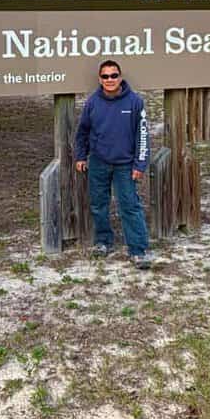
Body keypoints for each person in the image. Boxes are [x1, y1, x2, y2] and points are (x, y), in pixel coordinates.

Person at [74, 59, 154, 269]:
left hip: (125, 165)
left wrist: (140, 165)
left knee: (130, 206)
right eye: (105, 76)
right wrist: (81, 156)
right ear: (100, 79)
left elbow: (142, 135)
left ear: (120, 77)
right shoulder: (92, 102)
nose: (110, 80)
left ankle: (138, 250)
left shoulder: (135, 102)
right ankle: (103, 241)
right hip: (99, 162)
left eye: (114, 75)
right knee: (98, 205)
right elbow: (82, 132)